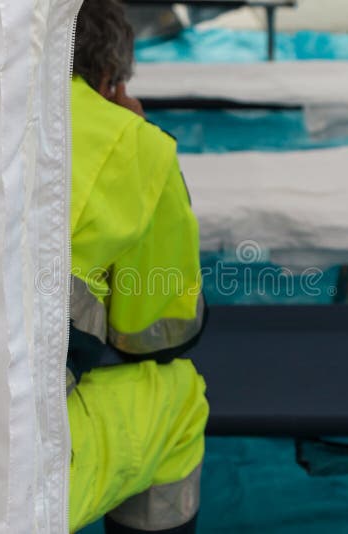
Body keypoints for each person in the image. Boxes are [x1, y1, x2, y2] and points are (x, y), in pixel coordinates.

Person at [67, 1, 209, 532]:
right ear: (108, 76)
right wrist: (135, 141)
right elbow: (157, 334)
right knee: (180, 399)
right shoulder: (131, 144)